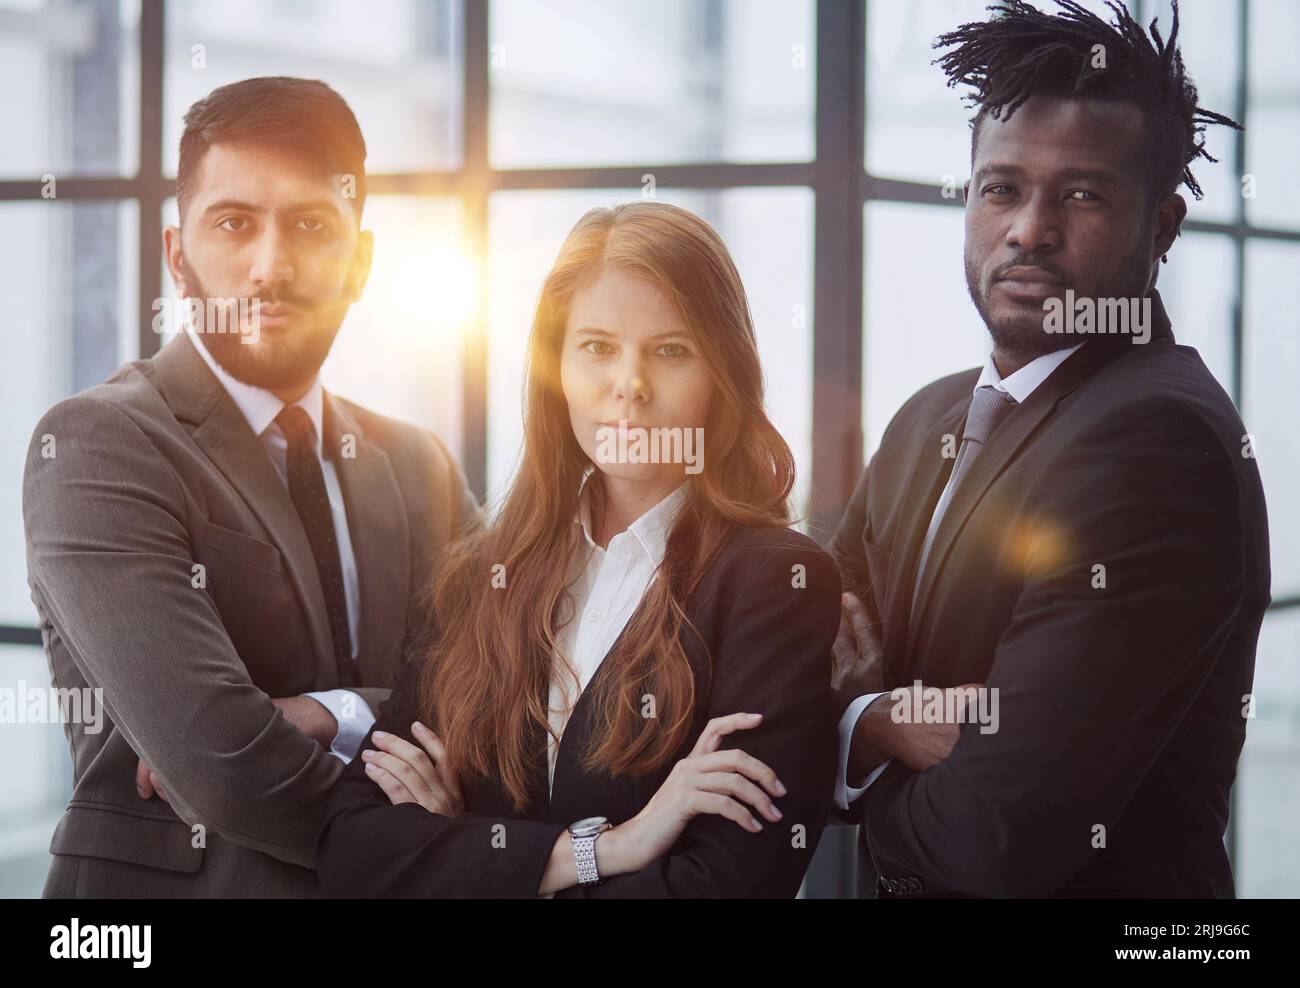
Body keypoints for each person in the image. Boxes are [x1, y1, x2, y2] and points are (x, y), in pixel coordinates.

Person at [830, 0, 1269, 898]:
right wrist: (876, 723)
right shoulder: (928, 420)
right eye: (1002, 189)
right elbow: (784, 660)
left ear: (1163, 228)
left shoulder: (1157, 442)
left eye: (1080, 194)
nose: (1029, 228)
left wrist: (838, 735)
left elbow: (995, 834)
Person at [23, 76, 478, 897]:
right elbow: (220, 762)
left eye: (310, 225)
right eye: (234, 223)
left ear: (360, 261)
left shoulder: (421, 467)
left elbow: (509, 699)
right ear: (177, 255)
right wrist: (422, 826)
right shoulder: (97, 444)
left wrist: (330, 711)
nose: (272, 267)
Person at [317, 201, 839, 897]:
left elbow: (724, 886)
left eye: (671, 350)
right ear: (555, 370)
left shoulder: (776, 584)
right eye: (597, 347)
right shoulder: (477, 577)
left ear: (724, 375)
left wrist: (457, 850)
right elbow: (353, 854)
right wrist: (609, 848)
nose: (630, 384)